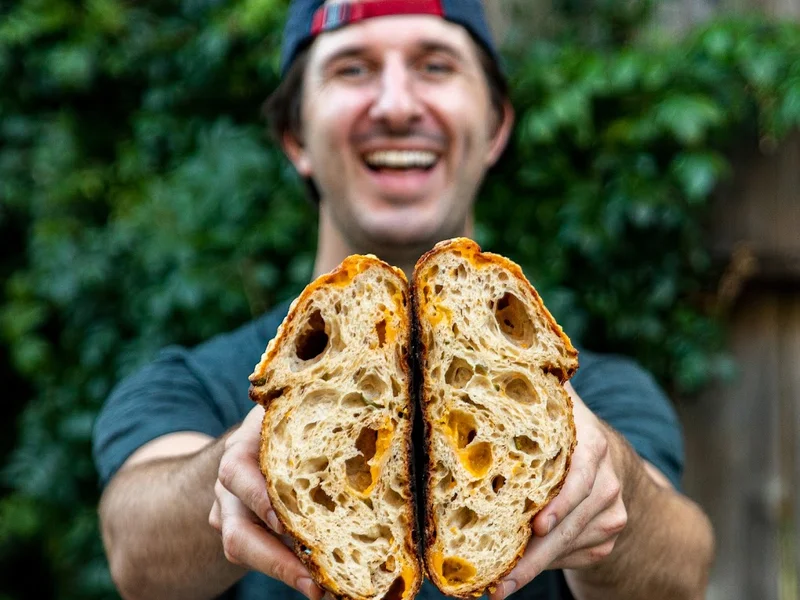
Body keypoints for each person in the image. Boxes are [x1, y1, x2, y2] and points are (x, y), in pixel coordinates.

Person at [92, 1, 716, 599]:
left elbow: (682, 574)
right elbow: (135, 552)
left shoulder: (599, 392)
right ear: (295, 136)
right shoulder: (195, 385)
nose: (396, 105)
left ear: (496, 127)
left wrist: (612, 485)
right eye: (352, 69)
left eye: (435, 66)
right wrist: (253, 463)